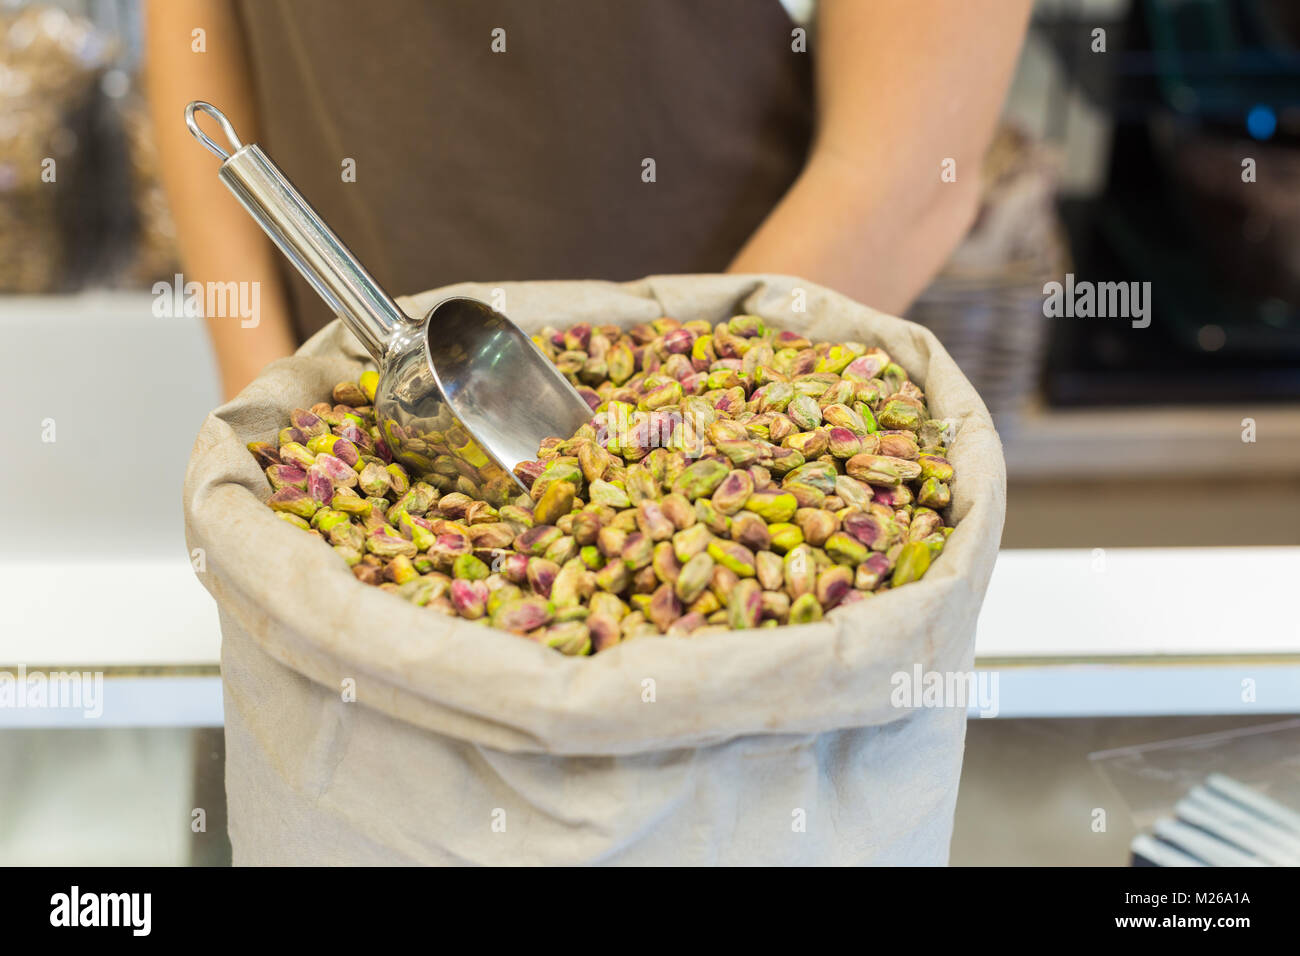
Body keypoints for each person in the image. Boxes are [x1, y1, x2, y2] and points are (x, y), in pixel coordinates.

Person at [147, 0, 1032, 399]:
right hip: (343, 426)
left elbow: (904, 170)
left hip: (728, 421)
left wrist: (644, 468)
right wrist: (269, 396)